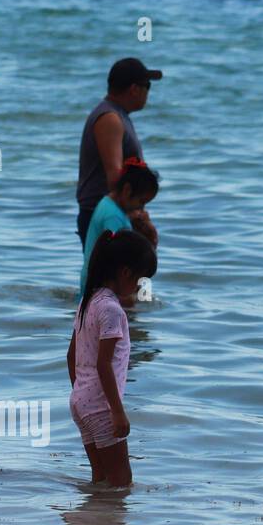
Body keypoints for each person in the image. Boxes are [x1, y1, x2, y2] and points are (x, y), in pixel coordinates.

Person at [67, 230, 157, 487]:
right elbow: (103, 363)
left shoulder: (89, 300)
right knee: (121, 481)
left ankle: (94, 524)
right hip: (100, 407)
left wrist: (80, 393)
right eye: (141, 281)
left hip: (80, 403)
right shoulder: (112, 309)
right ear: (126, 273)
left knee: (100, 477)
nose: (140, 288)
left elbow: (71, 354)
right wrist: (117, 412)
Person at [76, 57, 162, 248]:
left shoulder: (118, 115)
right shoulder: (110, 119)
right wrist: (134, 216)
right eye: (147, 86)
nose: (148, 92)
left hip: (115, 212)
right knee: (108, 277)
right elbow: (114, 176)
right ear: (134, 89)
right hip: (105, 216)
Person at [79, 157, 159, 298]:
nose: (142, 208)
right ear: (127, 190)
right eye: (141, 201)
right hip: (104, 290)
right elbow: (117, 261)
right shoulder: (113, 217)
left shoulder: (110, 206)